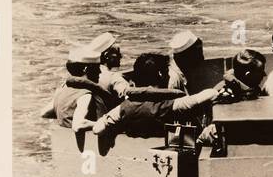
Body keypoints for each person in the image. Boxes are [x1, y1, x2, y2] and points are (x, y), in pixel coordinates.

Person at [83, 51, 218, 141]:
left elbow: (97, 129)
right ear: (160, 75)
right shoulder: (166, 105)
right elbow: (208, 95)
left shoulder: (125, 106)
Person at [41, 46, 112, 130]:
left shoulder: (62, 90)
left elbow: (44, 113)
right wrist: (104, 123)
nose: (100, 72)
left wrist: (67, 116)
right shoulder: (85, 94)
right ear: (86, 69)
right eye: (97, 67)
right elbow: (78, 125)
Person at [168, 29, 213, 96]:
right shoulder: (174, 80)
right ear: (189, 56)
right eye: (198, 53)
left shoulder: (185, 69)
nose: (202, 57)